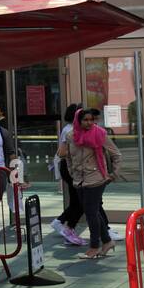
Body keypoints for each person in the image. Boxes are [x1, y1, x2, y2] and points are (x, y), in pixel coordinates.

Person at [61, 107, 122, 260]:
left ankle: (94, 246)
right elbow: (68, 157)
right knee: (93, 212)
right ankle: (107, 242)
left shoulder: (100, 134)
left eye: (91, 120)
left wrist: (113, 174)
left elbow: (116, 154)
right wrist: (72, 173)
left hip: (96, 178)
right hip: (79, 180)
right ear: (78, 121)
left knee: (90, 213)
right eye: (85, 120)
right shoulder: (71, 136)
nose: (89, 123)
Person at [51, 103, 92, 246]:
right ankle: (63, 224)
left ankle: (65, 225)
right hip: (69, 168)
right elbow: (62, 152)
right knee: (79, 201)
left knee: (77, 200)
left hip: (74, 168)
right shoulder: (68, 130)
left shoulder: (75, 130)